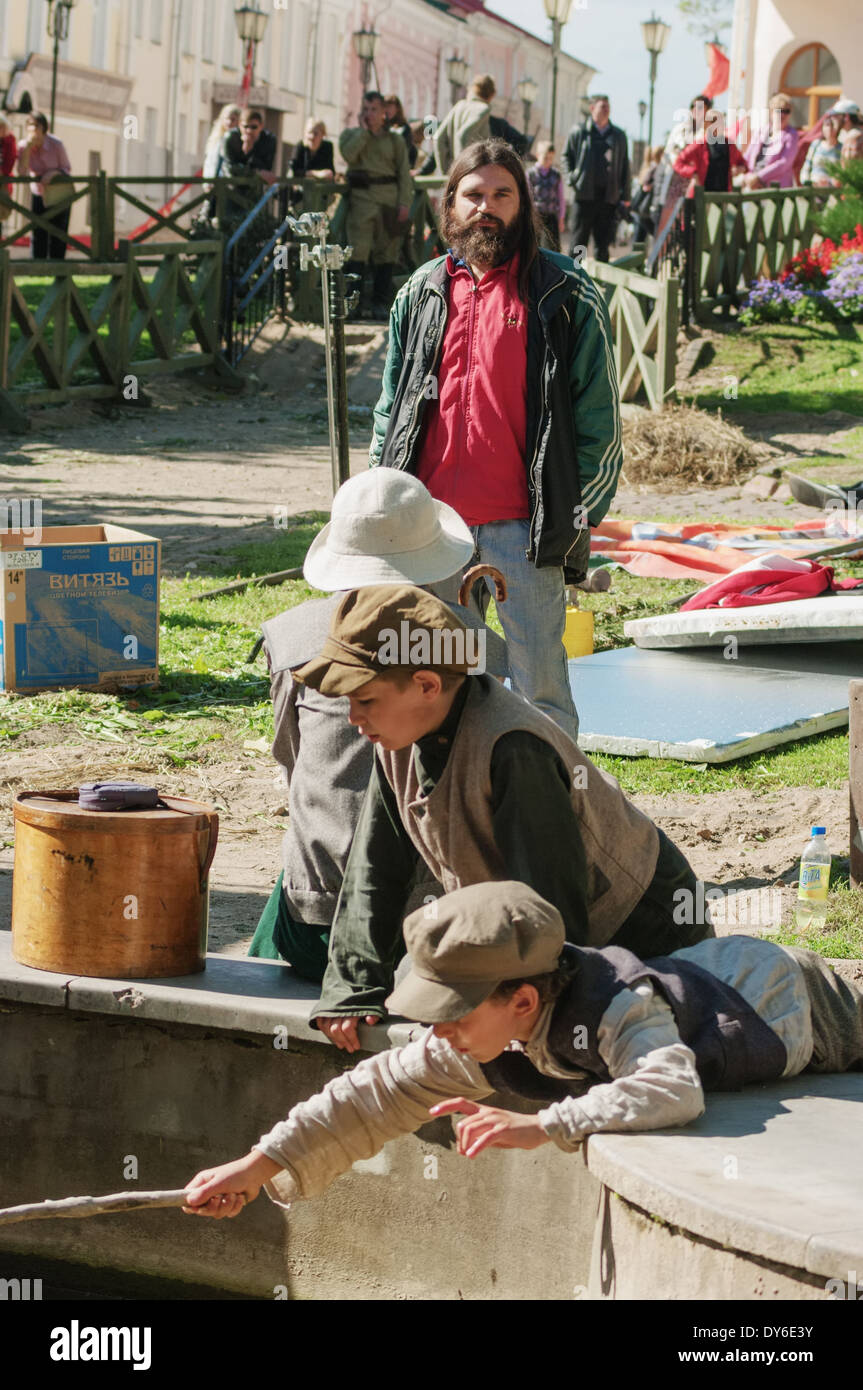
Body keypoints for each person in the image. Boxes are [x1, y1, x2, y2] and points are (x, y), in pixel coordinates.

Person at [181, 875, 863, 1221]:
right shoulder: (480, 1032)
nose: (434, 1031)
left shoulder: (616, 1007)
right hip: (715, 976)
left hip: (785, 1002)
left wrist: (544, 1125)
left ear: (523, 1001)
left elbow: (672, 1089)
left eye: (447, 1013)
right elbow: (371, 1095)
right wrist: (255, 1165)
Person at [290, 585, 711, 1050]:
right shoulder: (396, 737)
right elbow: (375, 869)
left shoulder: (513, 748)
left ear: (427, 685)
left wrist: (522, 1015)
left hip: (641, 928)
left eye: (364, 699)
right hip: (543, 918)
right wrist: (353, 988)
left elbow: (550, 910)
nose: (352, 717)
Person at [370, 138, 622, 743]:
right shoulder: (422, 290)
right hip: (430, 529)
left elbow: (600, 424)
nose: (487, 207)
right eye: (473, 195)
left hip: (523, 530)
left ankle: (548, 807)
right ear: (450, 206)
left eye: (501, 195)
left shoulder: (564, 292)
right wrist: (383, 509)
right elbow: (390, 410)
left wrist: (571, 515)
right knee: (431, 679)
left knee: (538, 686)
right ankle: (441, 810)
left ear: (523, 203)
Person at [246, 470, 506, 977]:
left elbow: (293, 762)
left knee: (310, 848)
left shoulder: (292, 638)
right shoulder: (476, 648)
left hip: (314, 927)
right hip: (433, 933)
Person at [340, 90, 412, 320]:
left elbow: (404, 173)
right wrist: (364, 133)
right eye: (366, 109)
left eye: (374, 110)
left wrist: (404, 203)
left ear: (384, 113)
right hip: (362, 201)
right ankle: (353, 303)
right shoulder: (351, 135)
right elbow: (349, 156)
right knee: (357, 251)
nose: (369, 114)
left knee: (386, 252)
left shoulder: (395, 140)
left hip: (389, 201)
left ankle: (380, 303)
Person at [563, 94, 630, 263]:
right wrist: (572, 178)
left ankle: (601, 284)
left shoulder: (618, 136)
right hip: (584, 195)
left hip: (608, 198)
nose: (607, 110)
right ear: (592, 109)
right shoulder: (579, 131)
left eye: (608, 107)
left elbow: (624, 166)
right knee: (579, 243)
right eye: (603, 107)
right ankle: (575, 279)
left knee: (603, 244)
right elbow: (566, 157)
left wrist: (626, 195)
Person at [16, 112, 72, 260]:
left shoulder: (56, 145)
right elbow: (22, 172)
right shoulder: (22, 146)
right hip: (39, 193)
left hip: (59, 194)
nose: (33, 130)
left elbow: (66, 168)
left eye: (36, 126)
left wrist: (52, 173)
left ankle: (57, 268)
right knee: (37, 231)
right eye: (30, 126)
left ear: (43, 128)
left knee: (58, 232)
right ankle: (37, 267)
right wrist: (28, 148)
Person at [433, 74, 495, 176]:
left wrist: (446, 171)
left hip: (456, 173)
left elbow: (439, 138)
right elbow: (464, 135)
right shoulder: (483, 108)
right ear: (492, 94)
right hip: (472, 173)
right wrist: (464, 169)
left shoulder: (459, 105)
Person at [673, 111, 746, 193]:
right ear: (706, 125)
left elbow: (743, 164)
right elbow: (678, 163)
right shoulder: (699, 145)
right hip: (703, 194)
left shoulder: (729, 145)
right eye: (714, 122)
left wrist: (739, 169)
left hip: (724, 194)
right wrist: (694, 173)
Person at [738, 93, 799, 190]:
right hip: (752, 184)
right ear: (771, 112)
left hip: (776, 189)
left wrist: (759, 177)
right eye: (778, 110)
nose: (782, 114)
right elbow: (747, 156)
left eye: (786, 111)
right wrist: (745, 174)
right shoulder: (761, 131)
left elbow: (784, 163)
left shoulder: (791, 135)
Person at [222, 107, 278, 187]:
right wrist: (256, 172)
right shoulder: (231, 137)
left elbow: (267, 168)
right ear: (239, 125)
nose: (249, 131)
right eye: (245, 127)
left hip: (255, 188)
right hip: (232, 186)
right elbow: (230, 168)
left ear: (261, 126)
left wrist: (250, 151)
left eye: (253, 127)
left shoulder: (269, 139)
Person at [527, 141, 566, 251]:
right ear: (538, 155)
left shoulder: (556, 175)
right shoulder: (530, 174)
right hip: (535, 216)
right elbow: (526, 196)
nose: (548, 161)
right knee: (534, 245)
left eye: (551, 158)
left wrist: (561, 218)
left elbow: (560, 198)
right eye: (545, 158)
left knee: (552, 247)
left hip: (551, 216)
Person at [629, 144, 663, 243]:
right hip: (645, 208)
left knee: (640, 238)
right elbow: (645, 187)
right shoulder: (655, 169)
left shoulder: (647, 168)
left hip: (641, 209)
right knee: (652, 236)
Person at [801, 113, 842, 187]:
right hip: (813, 188)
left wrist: (828, 182)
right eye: (827, 125)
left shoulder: (841, 148)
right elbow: (807, 166)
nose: (830, 128)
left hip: (832, 190)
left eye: (833, 125)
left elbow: (842, 173)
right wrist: (806, 181)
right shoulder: (816, 144)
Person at [203, 104, 240, 179]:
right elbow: (210, 162)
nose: (229, 122)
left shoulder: (239, 139)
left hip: (229, 181)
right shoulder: (217, 138)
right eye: (227, 119)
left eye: (233, 119)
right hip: (214, 180)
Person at [384, 95, 417, 170]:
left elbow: (404, 151)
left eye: (390, 107)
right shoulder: (381, 126)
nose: (387, 110)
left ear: (397, 109)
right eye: (385, 107)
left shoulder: (405, 128)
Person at [0, 116, 17, 218]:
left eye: (2, 126)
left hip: (3, 183)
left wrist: (2, 172)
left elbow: (11, 160)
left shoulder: (10, 140)